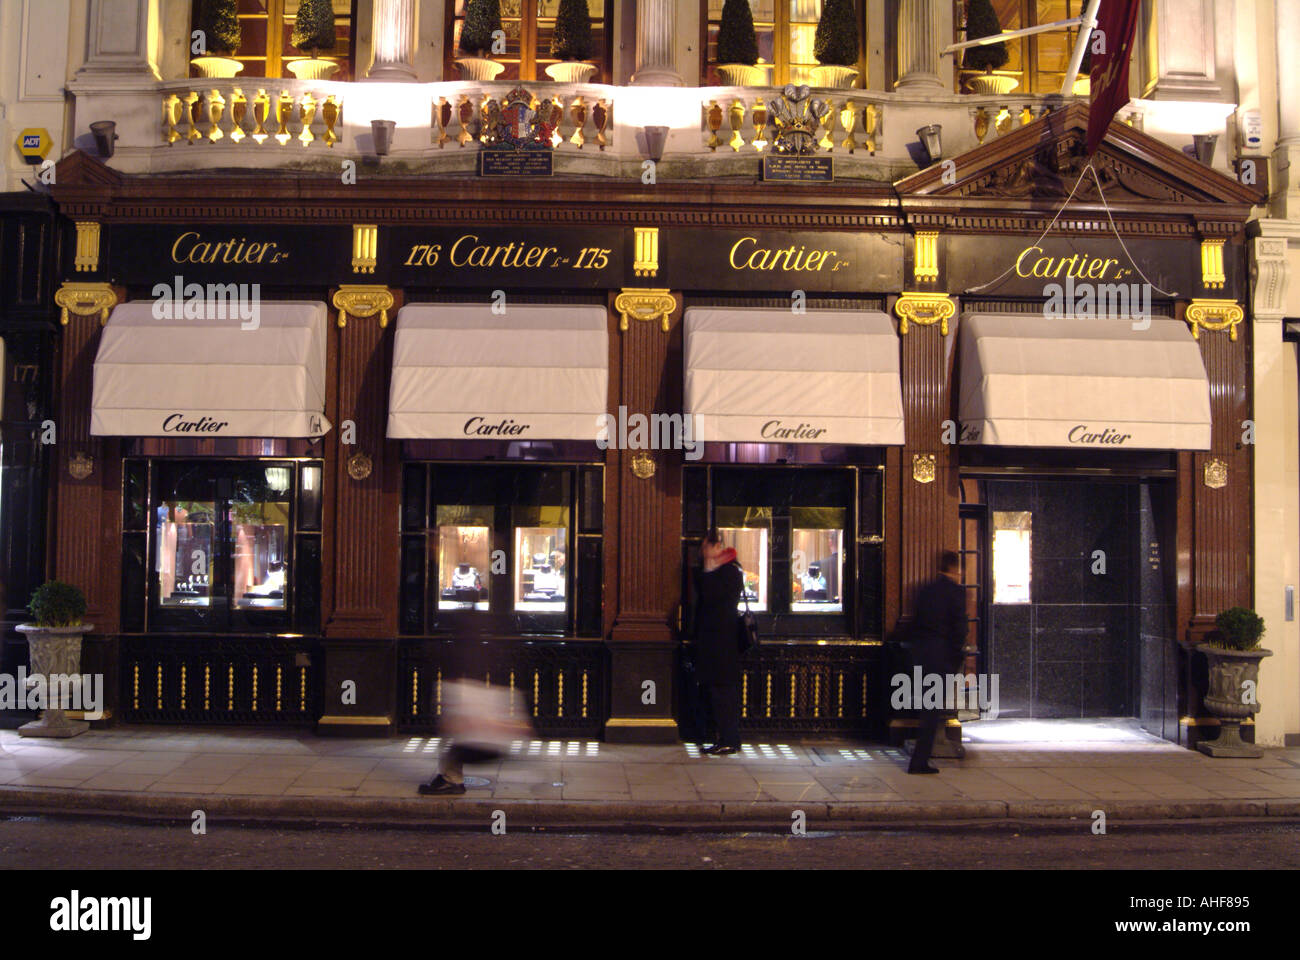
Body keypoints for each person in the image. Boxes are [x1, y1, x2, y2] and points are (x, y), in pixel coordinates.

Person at [907, 549, 967, 774]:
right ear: (955, 568)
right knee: (932, 711)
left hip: (922, 655)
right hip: (941, 658)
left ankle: (920, 758)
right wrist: (956, 656)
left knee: (926, 708)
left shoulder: (925, 590)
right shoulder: (956, 592)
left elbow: (916, 624)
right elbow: (960, 628)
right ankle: (919, 761)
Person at [687, 528, 744, 756]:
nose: (703, 552)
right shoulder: (713, 571)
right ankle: (723, 737)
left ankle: (729, 739)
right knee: (716, 692)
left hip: (723, 642)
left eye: (706, 547)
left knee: (723, 693)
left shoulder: (729, 571)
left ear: (715, 547)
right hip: (713, 642)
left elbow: (713, 599)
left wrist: (709, 570)